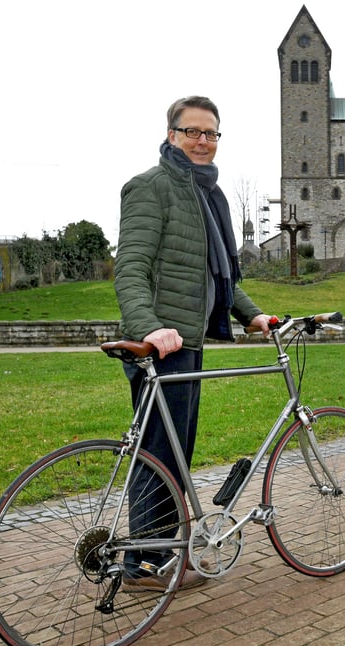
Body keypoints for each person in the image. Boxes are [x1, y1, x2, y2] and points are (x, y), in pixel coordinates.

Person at [114, 95, 272, 592]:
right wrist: (148, 328)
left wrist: (252, 315)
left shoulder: (206, 196)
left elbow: (217, 276)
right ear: (171, 135)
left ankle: (160, 554)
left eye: (211, 133)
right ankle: (145, 564)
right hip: (162, 344)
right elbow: (130, 268)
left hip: (188, 342)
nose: (202, 141)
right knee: (159, 455)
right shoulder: (151, 187)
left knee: (175, 454)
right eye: (192, 132)